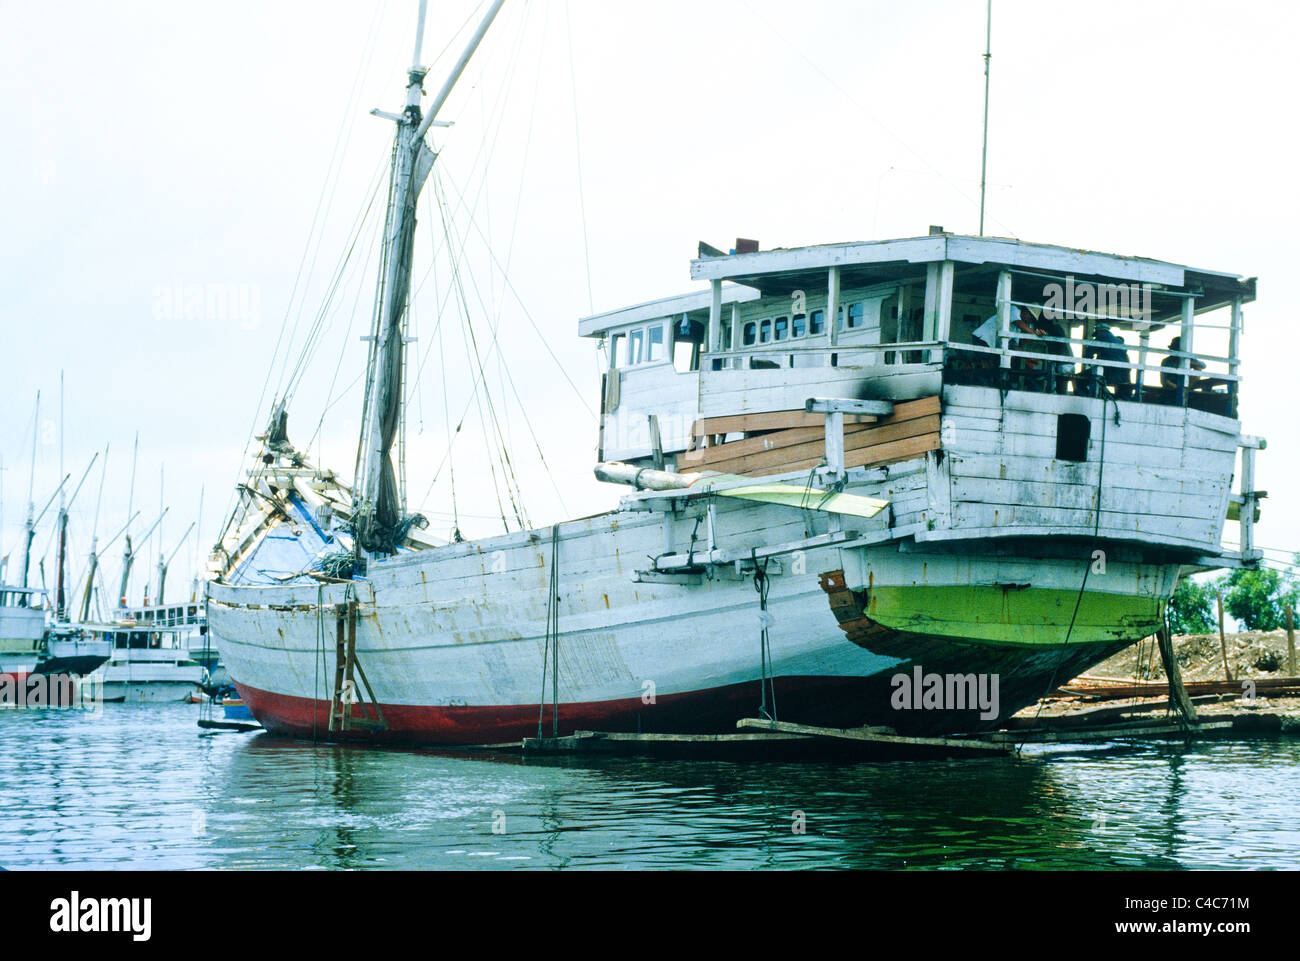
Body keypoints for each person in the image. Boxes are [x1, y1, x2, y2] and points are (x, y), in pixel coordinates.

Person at [1082, 322, 1131, 399]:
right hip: (1121, 375)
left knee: (1079, 379)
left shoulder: (1100, 337)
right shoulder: (1119, 341)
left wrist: (1091, 362)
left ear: (1099, 331)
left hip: (1106, 372)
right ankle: (1114, 397)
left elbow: (1088, 355)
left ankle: (1084, 397)